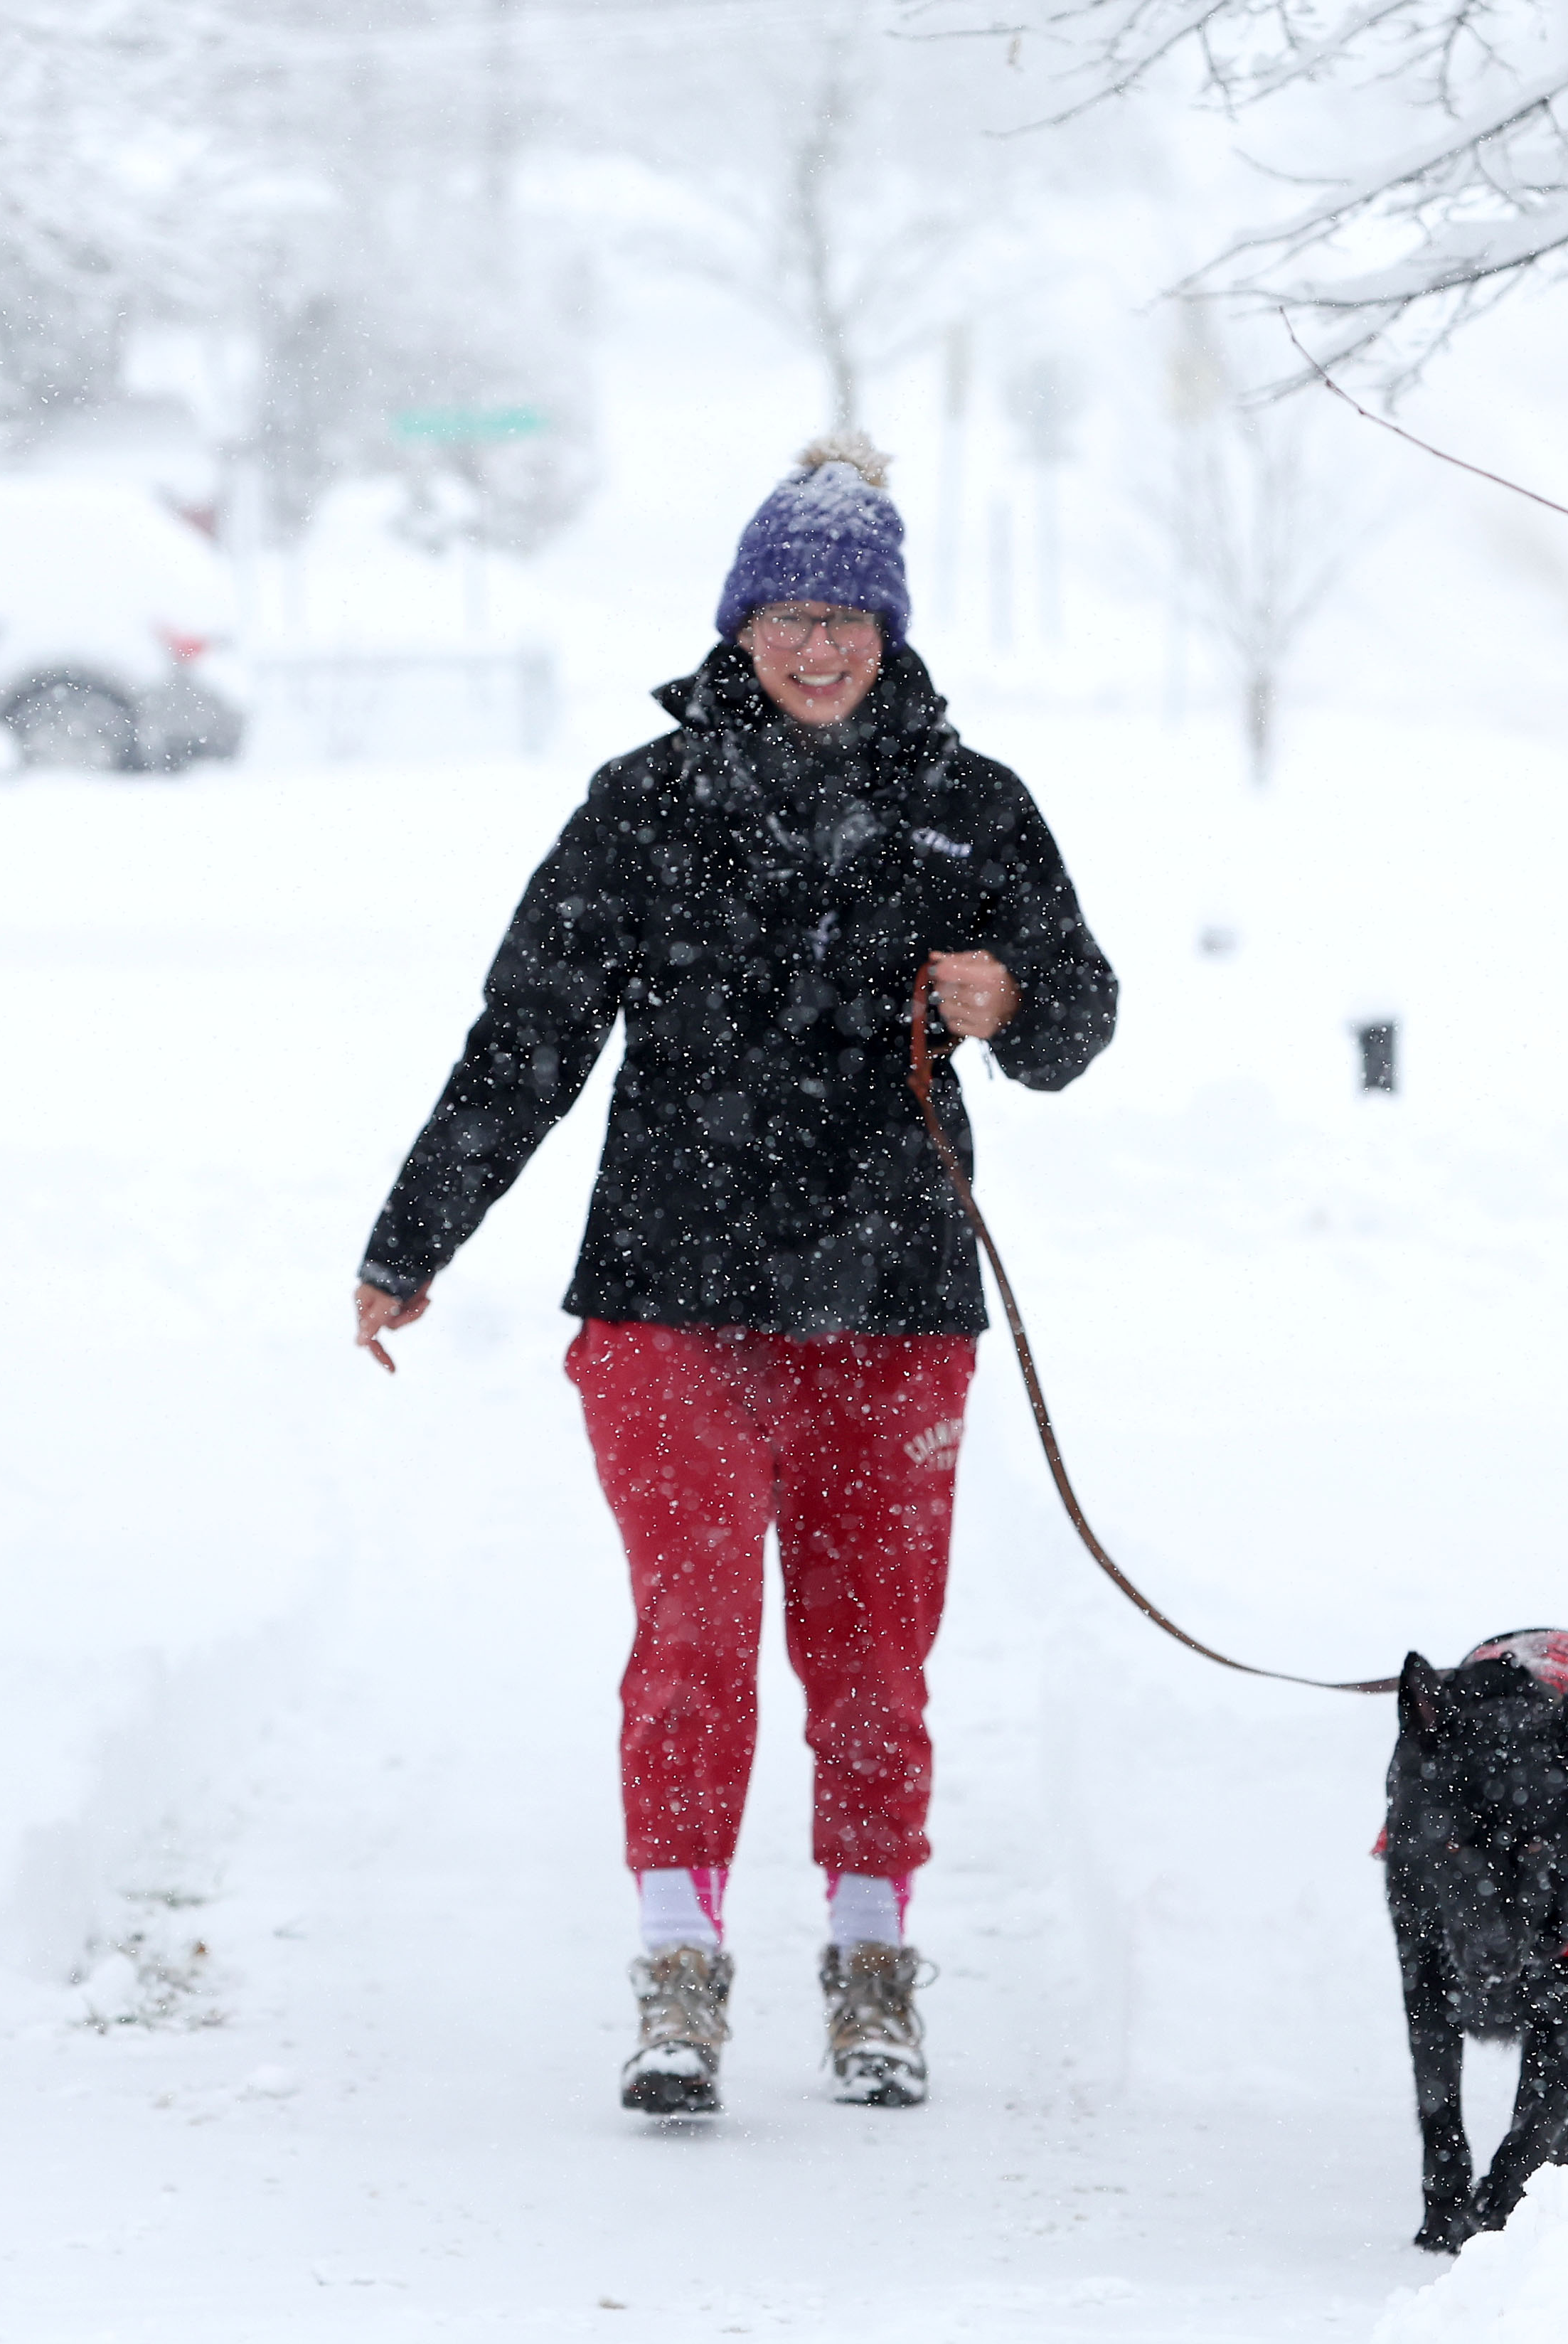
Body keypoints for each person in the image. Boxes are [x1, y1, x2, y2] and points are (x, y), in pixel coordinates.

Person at [348, 432, 1119, 2116]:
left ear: (891, 629)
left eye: (847, 617)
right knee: (692, 1639)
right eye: (788, 615)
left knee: (872, 1658)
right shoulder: (647, 807)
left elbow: (1079, 1017)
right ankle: (678, 1966)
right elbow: (528, 1039)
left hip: (891, 1303)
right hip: (669, 1295)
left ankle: (870, 1960)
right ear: (738, 624)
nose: (818, 646)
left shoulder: (971, 809)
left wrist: (1011, 1000)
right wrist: (415, 1236)